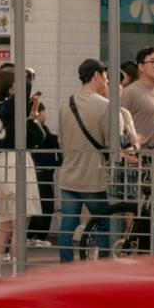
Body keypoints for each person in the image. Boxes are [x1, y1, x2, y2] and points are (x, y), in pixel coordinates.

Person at [53, 59, 127, 263]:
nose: (107, 81)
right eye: (105, 76)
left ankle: (66, 266)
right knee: (104, 222)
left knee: (67, 225)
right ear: (96, 75)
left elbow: (61, 139)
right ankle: (101, 265)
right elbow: (113, 144)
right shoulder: (106, 106)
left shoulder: (65, 104)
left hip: (68, 174)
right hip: (93, 176)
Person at [0, 67, 40, 277]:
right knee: (19, 226)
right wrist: (28, 74)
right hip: (15, 163)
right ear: (12, 86)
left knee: (4, 225)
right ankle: (18, 274)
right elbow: (25, 89)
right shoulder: (10, 105)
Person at [120, 48, 154, 152]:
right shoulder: (130, 92)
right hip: (138, 158)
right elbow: (119, 125)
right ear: (140, 66)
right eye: (153, 62)